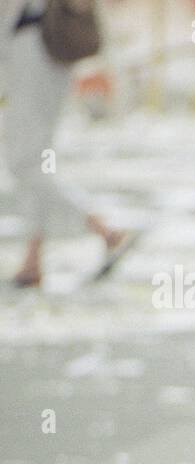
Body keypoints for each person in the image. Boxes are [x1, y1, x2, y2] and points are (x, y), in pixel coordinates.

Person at [3, 0, 137, 288]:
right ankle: (32, 260)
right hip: (47, 47)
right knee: (33, 160)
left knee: (24, 164)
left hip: (34, 46)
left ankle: (105, 229)